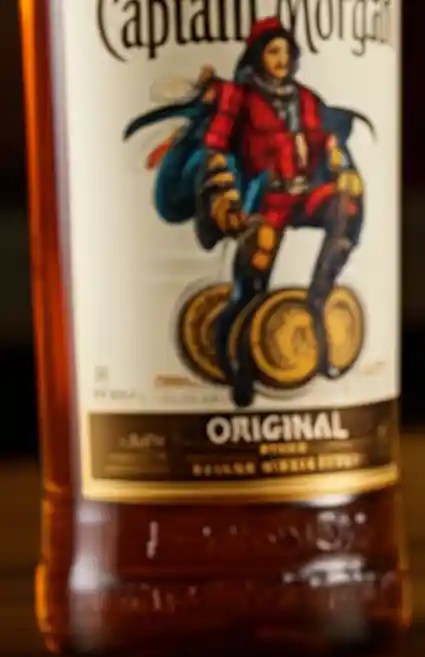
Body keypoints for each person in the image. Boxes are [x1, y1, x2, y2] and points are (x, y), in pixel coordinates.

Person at [125, 16, 371, 407]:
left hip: (303, 195)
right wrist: (224, 197)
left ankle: (318, 300)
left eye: (287, 53)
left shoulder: (304, 98)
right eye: (273, 52)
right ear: (258, 55)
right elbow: (215, 146)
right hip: (267, 203)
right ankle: (235, 365)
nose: (282, 60)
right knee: (248, 291)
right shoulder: (237, 98)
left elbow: (328, 141)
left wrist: (343, 171)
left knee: (346, 207)